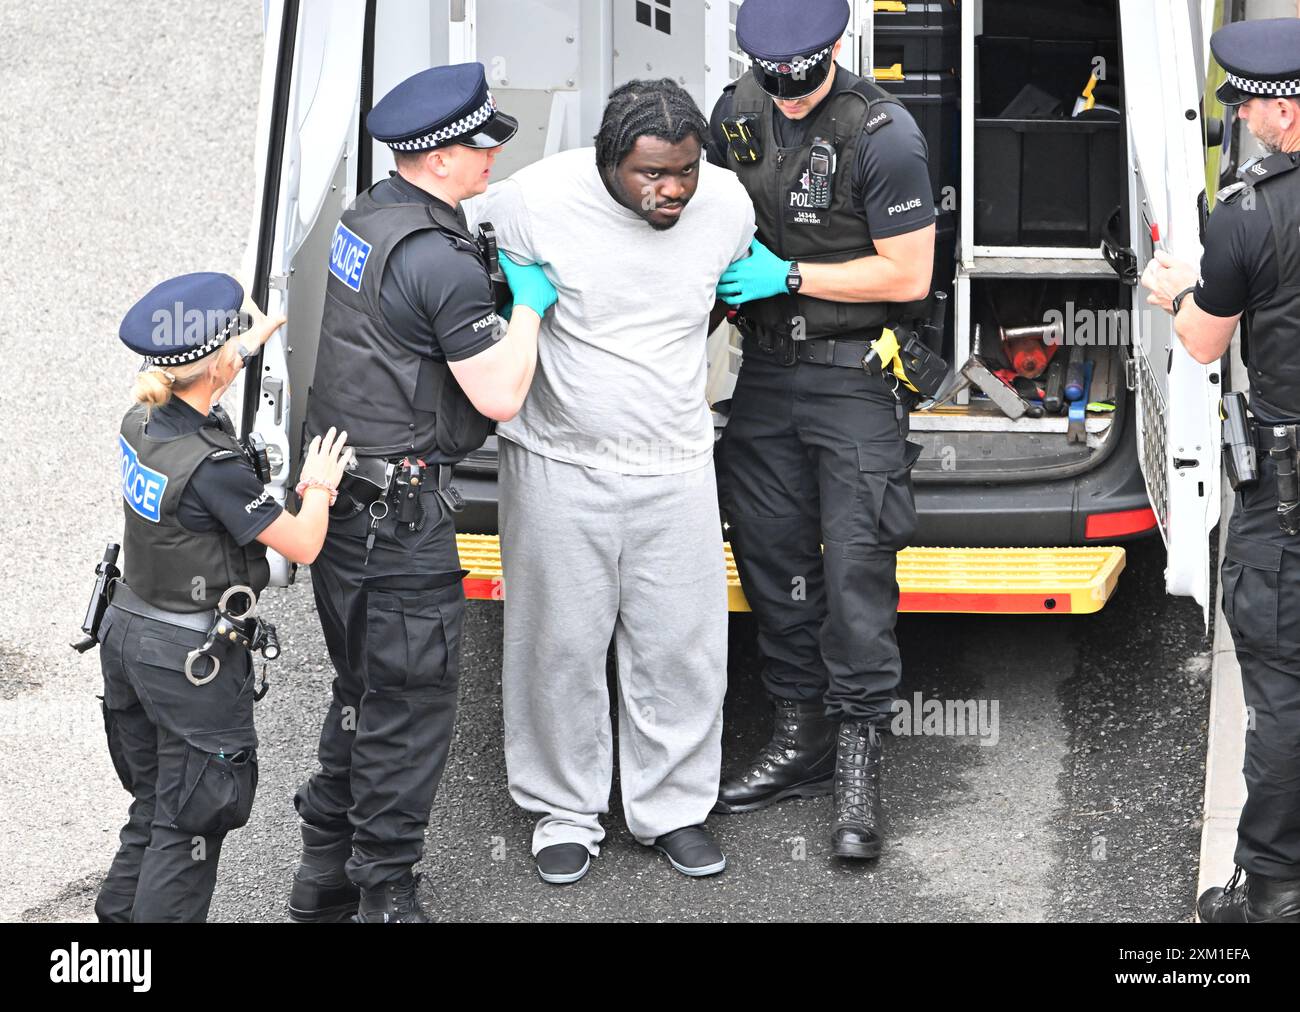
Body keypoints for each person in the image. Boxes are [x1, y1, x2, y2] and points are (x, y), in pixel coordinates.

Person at [467, 78, 755, 884]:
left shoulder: (726, 205)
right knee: (558, 646)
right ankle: (565, 809)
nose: (671, 191)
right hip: (560, 461)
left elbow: (714, 300)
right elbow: (466, 275)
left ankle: (673, 808)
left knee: (684, 648)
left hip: (676, 462)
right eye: (650, 174)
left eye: (685, 171)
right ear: (608, 158)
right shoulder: (530, 202)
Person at [289, 63, 556, 923]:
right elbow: (500, 397)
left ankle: (321, 877)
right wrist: (529, 311)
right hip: (399, 522)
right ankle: (386, 894)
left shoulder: (369, 214)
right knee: (408, 711)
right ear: (438, 158)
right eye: (480, 147)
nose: (490, 160)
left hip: (341, 508)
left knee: (362, 692)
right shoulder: (439, 262)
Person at [705, 0, 935, 860]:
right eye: (775, 81)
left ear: (833, 51)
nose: (789, 97)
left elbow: (908, 274)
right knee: (772, 561)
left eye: (803, 79)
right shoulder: (738, 110)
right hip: (766, 370)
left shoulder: (884, 134)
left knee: (858, 569)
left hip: (852, 376)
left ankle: (860, 760)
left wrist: (790, 274)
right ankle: (800, 739)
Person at [95, 271, 348, 922]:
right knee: (191, 830)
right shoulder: (217, 467)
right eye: (228, 351)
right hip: (190, 662)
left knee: (154, 805)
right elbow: (304, 546)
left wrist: (249, 341)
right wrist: (318, 484)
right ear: (211, 369)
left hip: (128, 636)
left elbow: (204, 371)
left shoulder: (142, 418)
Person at [1141, 16, 1300, 924]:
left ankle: (1273, 893)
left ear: (1282, 111)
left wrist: (1173, 292)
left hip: (1286, 496)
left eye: (1244, 104)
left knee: (1280, 689)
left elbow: (1204, 341)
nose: (1236, 118)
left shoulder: (1248, 211)